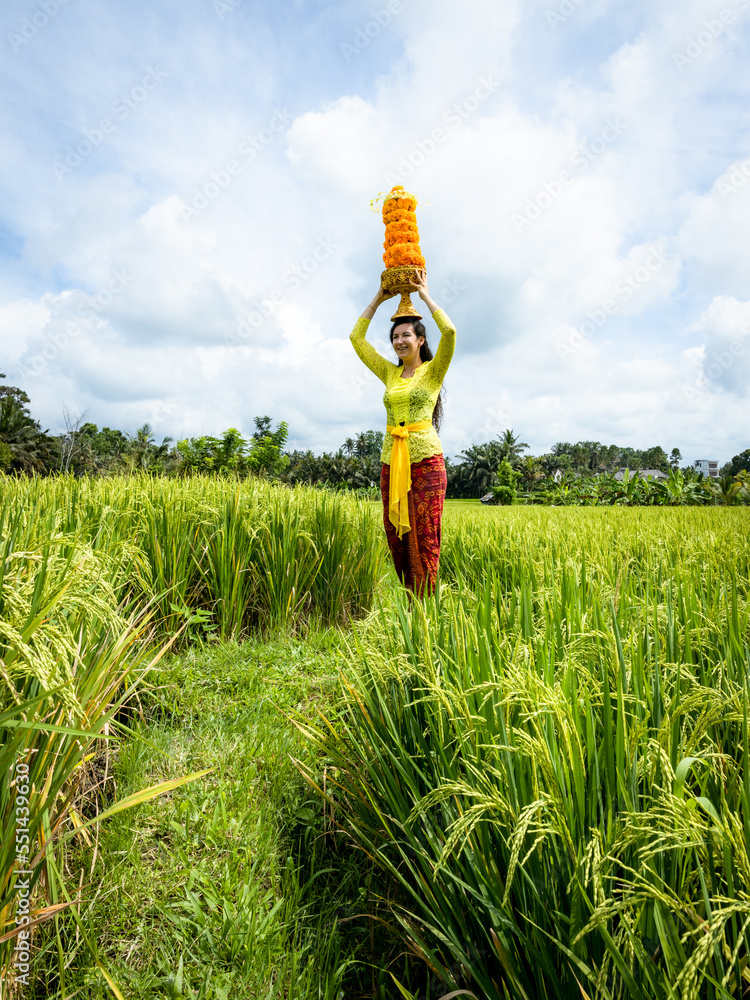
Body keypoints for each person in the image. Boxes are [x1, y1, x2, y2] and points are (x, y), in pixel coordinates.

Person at [350, 269, 456, 597]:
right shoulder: (389, 373)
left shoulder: (433, 371)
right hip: (390, 462)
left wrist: (424, 293)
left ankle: (426, 608)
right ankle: (412, 600)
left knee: (425, 536)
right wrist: (378, 299)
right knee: (395, 536)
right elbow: (356, 339)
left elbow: (450, 332)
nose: (399, 341)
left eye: (406, 336)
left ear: (420, 339)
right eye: (395, 337)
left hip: (425, 462)